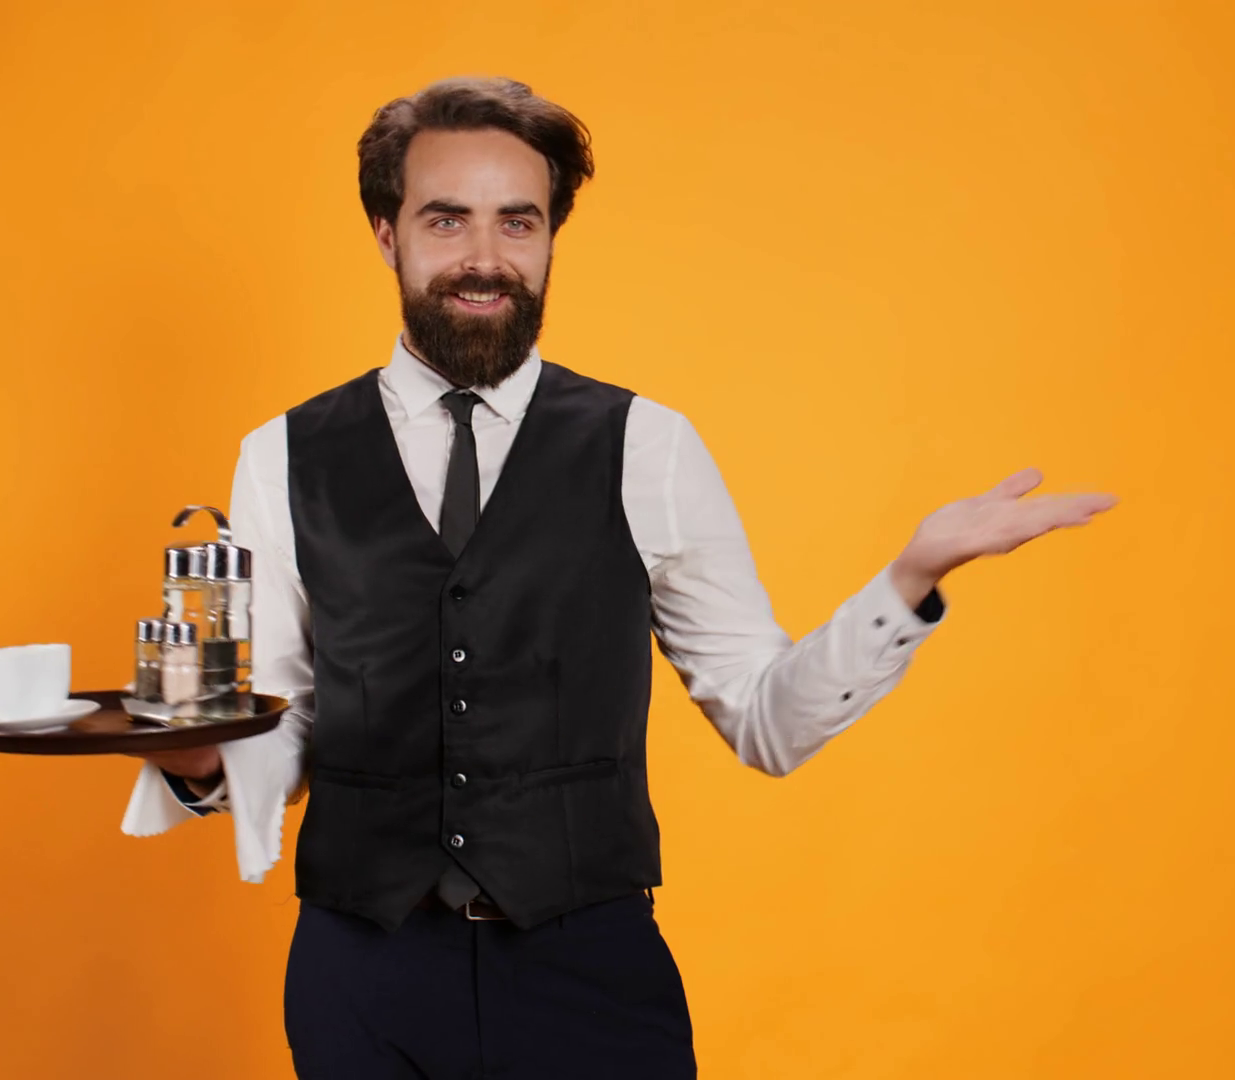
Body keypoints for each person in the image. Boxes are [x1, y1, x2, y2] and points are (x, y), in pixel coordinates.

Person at [119, 75, 1117, 1079]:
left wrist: (912, 576)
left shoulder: (649, 448)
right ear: (387, 232)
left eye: (519, 222)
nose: (483, 259)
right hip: (362, 977)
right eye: (445, 219)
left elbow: (766, 720)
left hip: (586, 977)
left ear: (552, 234)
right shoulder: (282, 456)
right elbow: (285, 723)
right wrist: (200, 763)